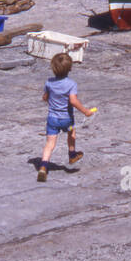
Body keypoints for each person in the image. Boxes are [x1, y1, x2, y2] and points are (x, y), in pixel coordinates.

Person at [37, 52, 96, 182]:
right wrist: (85, 111)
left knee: (50, 143)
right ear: (70, 68)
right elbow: (73, 101)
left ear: (53, 68)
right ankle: (72, 154)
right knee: (71, 131)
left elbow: (45, 97)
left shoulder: (49, 82)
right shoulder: (71, 84)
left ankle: (43, 166)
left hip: (52, 118)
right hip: (66, 119)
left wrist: (50, 100)